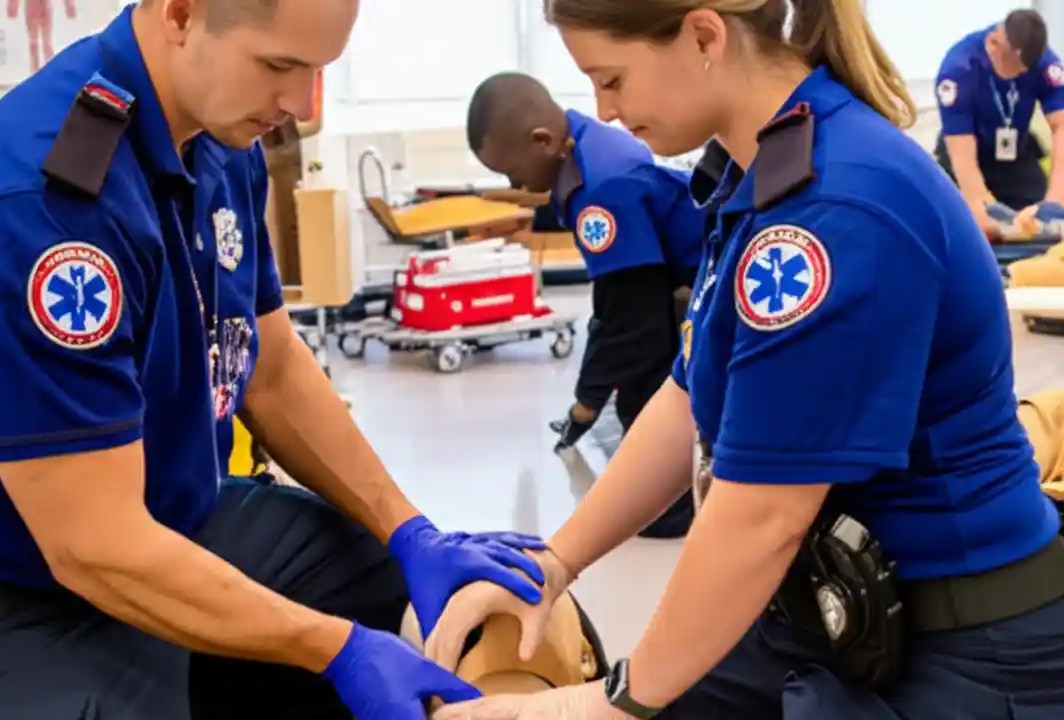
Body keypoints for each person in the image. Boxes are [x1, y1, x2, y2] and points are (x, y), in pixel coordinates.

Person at [0, 2, 552, 718]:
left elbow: (271, 367)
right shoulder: (40, 208)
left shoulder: (221, 140)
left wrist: (411, 532)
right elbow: (94, 548)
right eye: (280, 65)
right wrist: (335, 649)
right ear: (179, 14)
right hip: (9, 585)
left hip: (163, 515)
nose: (299, 103)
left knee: (462, 600)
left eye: (322, 69)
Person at [426, 0, 1064, 718]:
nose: (603, 112)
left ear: (703, 36)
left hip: (960, 650)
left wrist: (612, 705)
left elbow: (764, 515)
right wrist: (552, 564)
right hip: (836, 617)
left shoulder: (835, 207)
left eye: (612, 79)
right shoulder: (756, 177)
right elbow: (688, 394)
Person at [466, 72, 704, 539]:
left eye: (513, 173)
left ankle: (668, 512)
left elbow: (632, 322)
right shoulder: (583, 144)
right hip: (674, 267)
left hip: (692, 274)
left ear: (542, 140)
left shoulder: (600, 189)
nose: (517, 184)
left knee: (647, 380)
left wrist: (588, 402)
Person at [934, 8, 1064, 237]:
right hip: (968, 151)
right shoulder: (959, 68)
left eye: (1025, 70)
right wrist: (978, 205)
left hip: (1014, 152)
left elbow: (1061, 126)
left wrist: (1056, 201)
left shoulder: (1045, 65)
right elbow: (961, 150)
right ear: (994, 44)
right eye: (1012, 67)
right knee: (965, 228)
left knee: (1042, 228)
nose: (1020, 74)